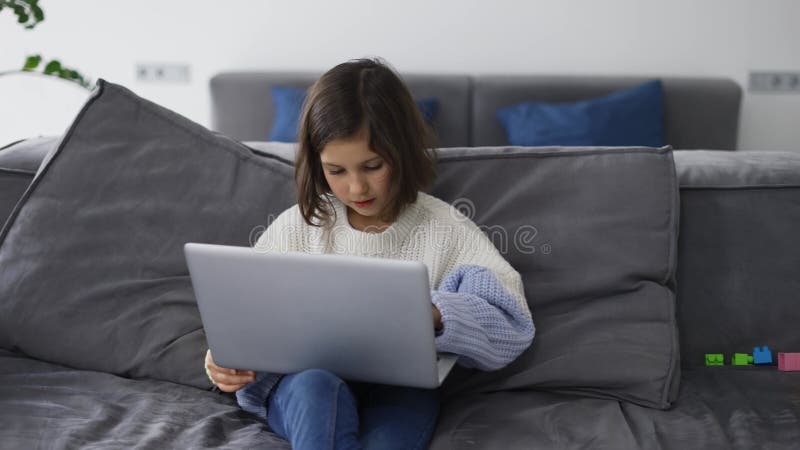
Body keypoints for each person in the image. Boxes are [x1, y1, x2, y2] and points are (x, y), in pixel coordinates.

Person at [204, 57, 535, 450]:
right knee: (316, 387)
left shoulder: (446, 229)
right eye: (336, 171)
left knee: (397, 419)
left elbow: (511, 323)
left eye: (372, 166)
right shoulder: (302, 225)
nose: (357, 188)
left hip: (399, 390)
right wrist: (221, 360)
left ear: (403, 152)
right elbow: (242, 311)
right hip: (305, 383)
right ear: (316, 165)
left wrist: (434, 313)